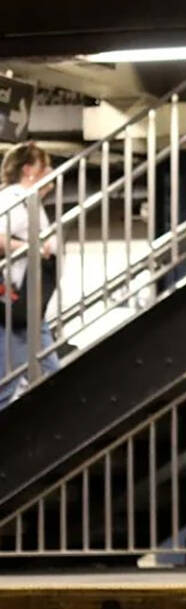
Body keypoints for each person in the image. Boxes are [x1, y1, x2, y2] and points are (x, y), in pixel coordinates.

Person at [0, 142, 58, 410]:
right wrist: (30, 248)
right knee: (7, 383)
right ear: (29, 170)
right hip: (14, 308)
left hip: (30, 308)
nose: (51, 172)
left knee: (51, 373)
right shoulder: (12, 199)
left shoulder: (29, 201)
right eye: (44, 167)